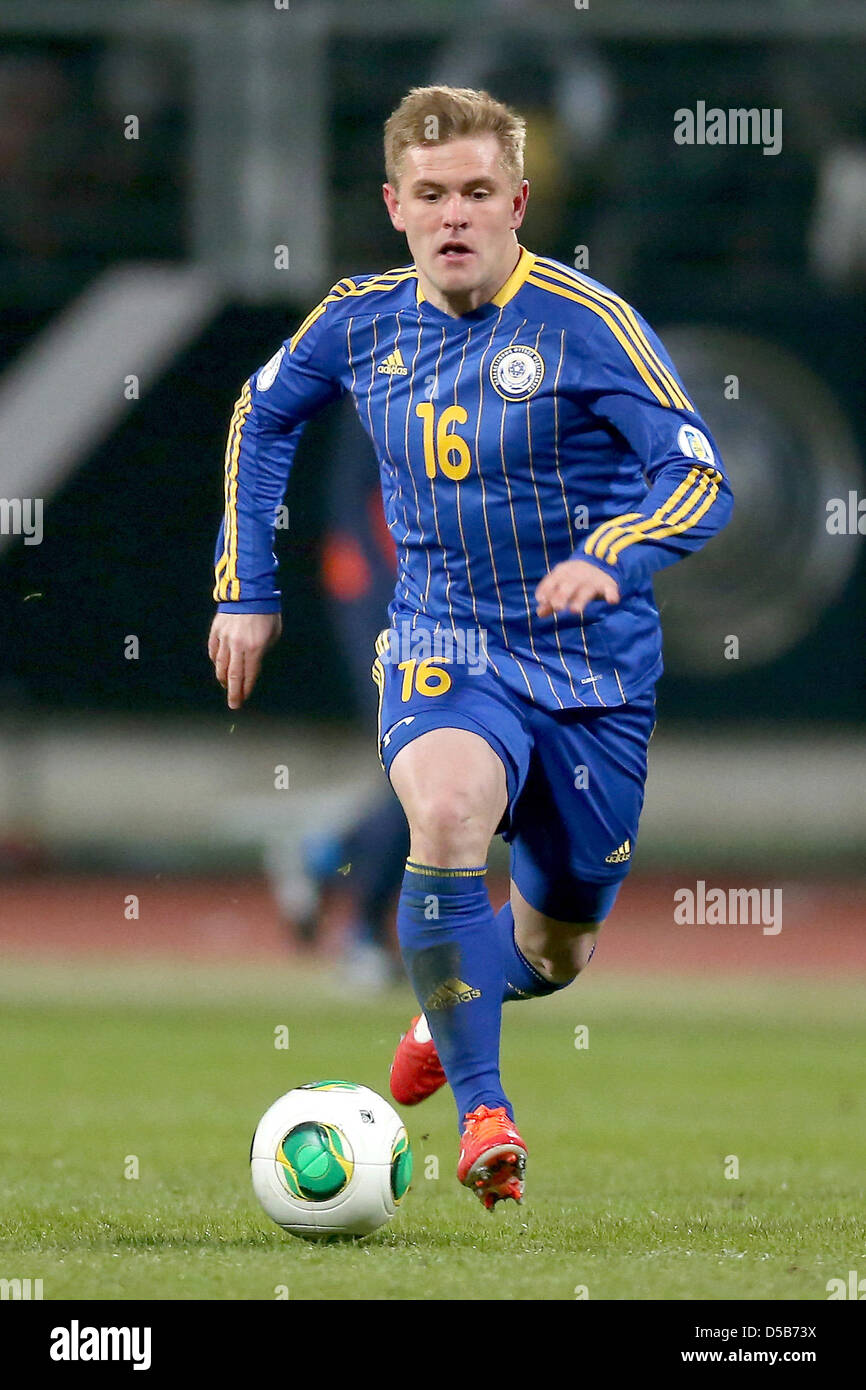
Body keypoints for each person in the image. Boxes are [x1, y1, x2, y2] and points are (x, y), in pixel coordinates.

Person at [208, 85, 733, 1211]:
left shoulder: (587, 322)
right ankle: (484, 1114)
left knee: (553, 951)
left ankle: (440, 1014)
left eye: (479, 194)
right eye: (432, 195)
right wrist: (244, 584)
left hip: (592, 672)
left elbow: (696, 474)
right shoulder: (356, 320)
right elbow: (260, 416)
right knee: (444, 813)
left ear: (519, 203)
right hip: (443, 641)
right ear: (394, 205)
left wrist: (615, 548)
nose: (455, 216)